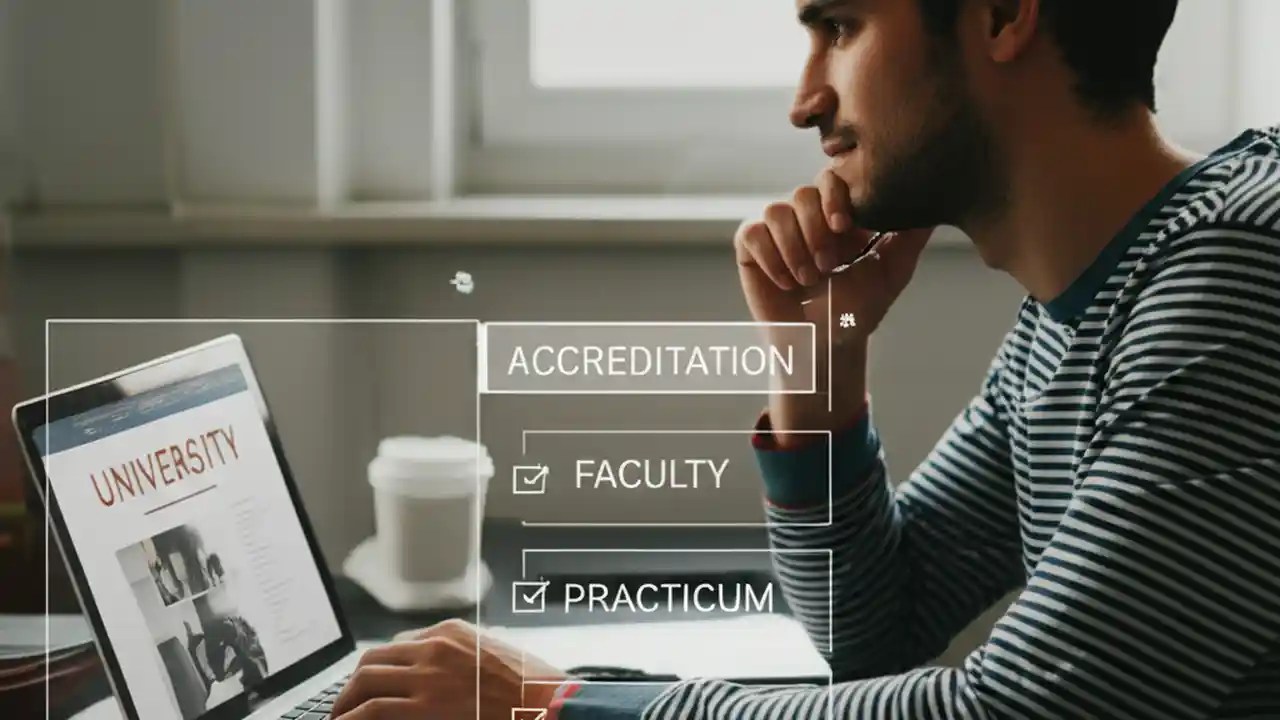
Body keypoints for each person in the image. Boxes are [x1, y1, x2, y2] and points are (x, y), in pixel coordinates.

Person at [332, 0, 1280, 717]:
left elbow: (1011, 712)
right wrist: (818, 369)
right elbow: (878, 632)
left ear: (1001, 15)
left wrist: (559, 707)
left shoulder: (1238, 280)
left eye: (841, 24)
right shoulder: (1085, 300)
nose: (805, 100)